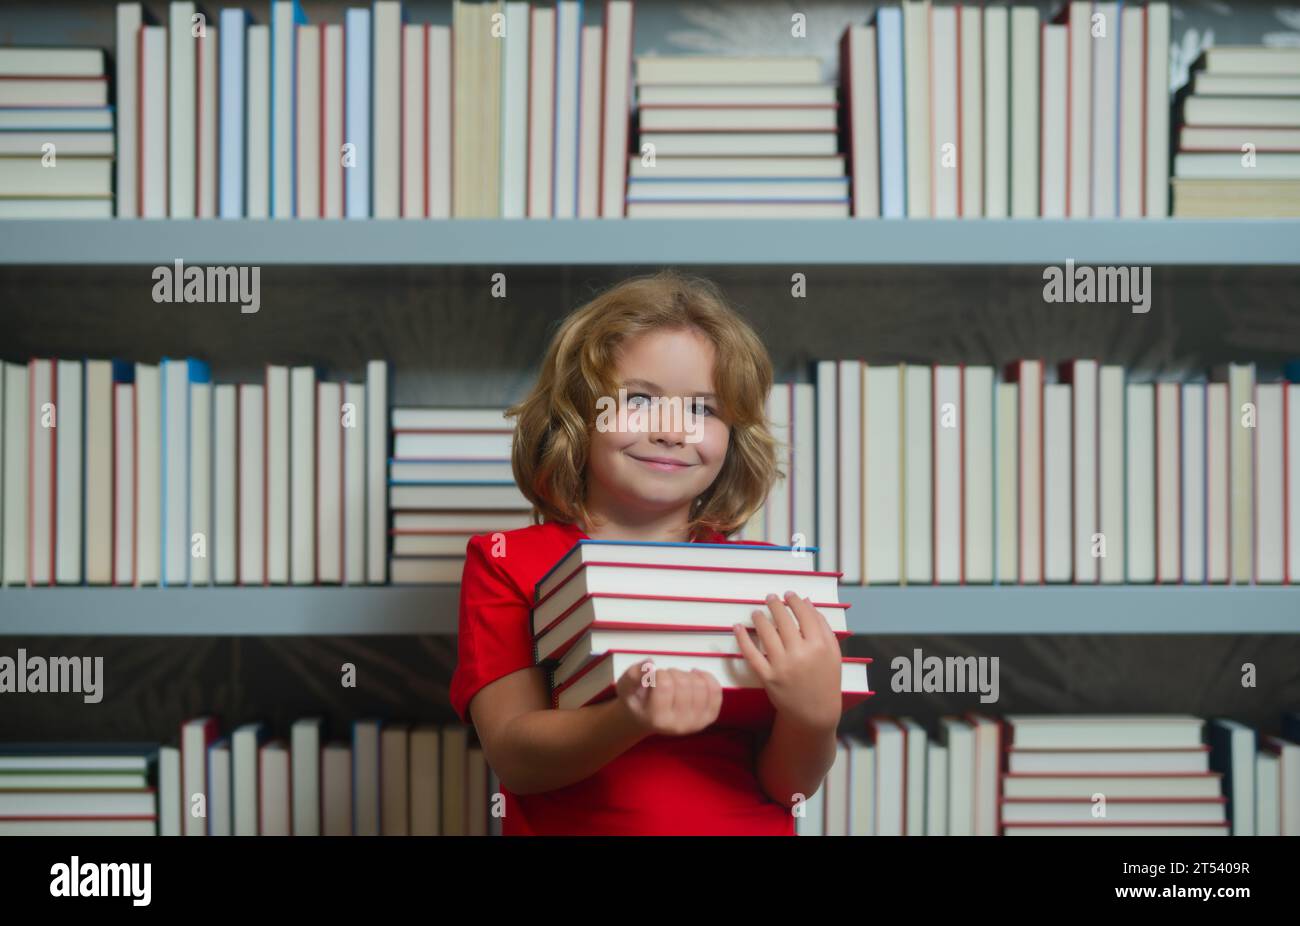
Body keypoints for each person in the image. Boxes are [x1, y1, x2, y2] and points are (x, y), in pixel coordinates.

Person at [450, 271, 843, 835]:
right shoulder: (506, 561)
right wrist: (628, 717)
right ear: (577, 416)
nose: (672, 432)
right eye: (638, 400)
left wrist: (813, 716)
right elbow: (516, 756)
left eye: (704, 410)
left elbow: (789, 788)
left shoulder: (764, 581)